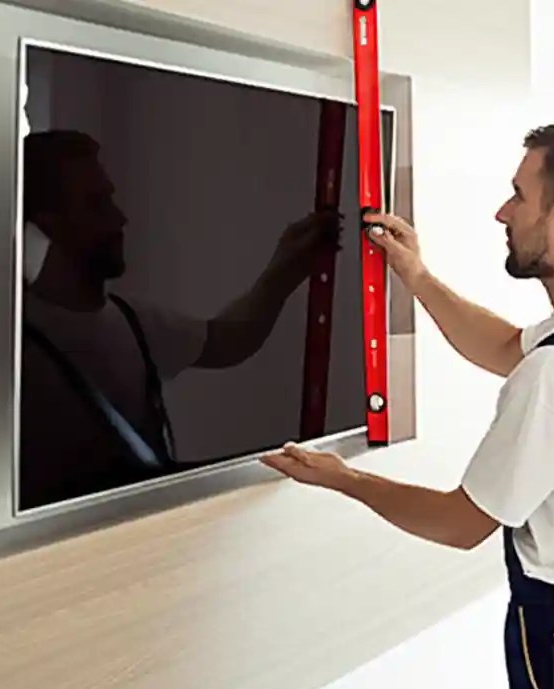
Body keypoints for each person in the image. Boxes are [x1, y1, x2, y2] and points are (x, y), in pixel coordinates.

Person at [261, 124, 554, 689]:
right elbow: (508, 346)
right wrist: (417, 277)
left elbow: (461, 523)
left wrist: (344, 479)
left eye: (519, 194)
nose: (502, 212)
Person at [18, 129, 336, 509]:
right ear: (48, 220)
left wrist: (284, 269)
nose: (120, 218)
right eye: (97, 205)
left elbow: (226, 340)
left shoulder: (132, 319)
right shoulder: (11, 340)